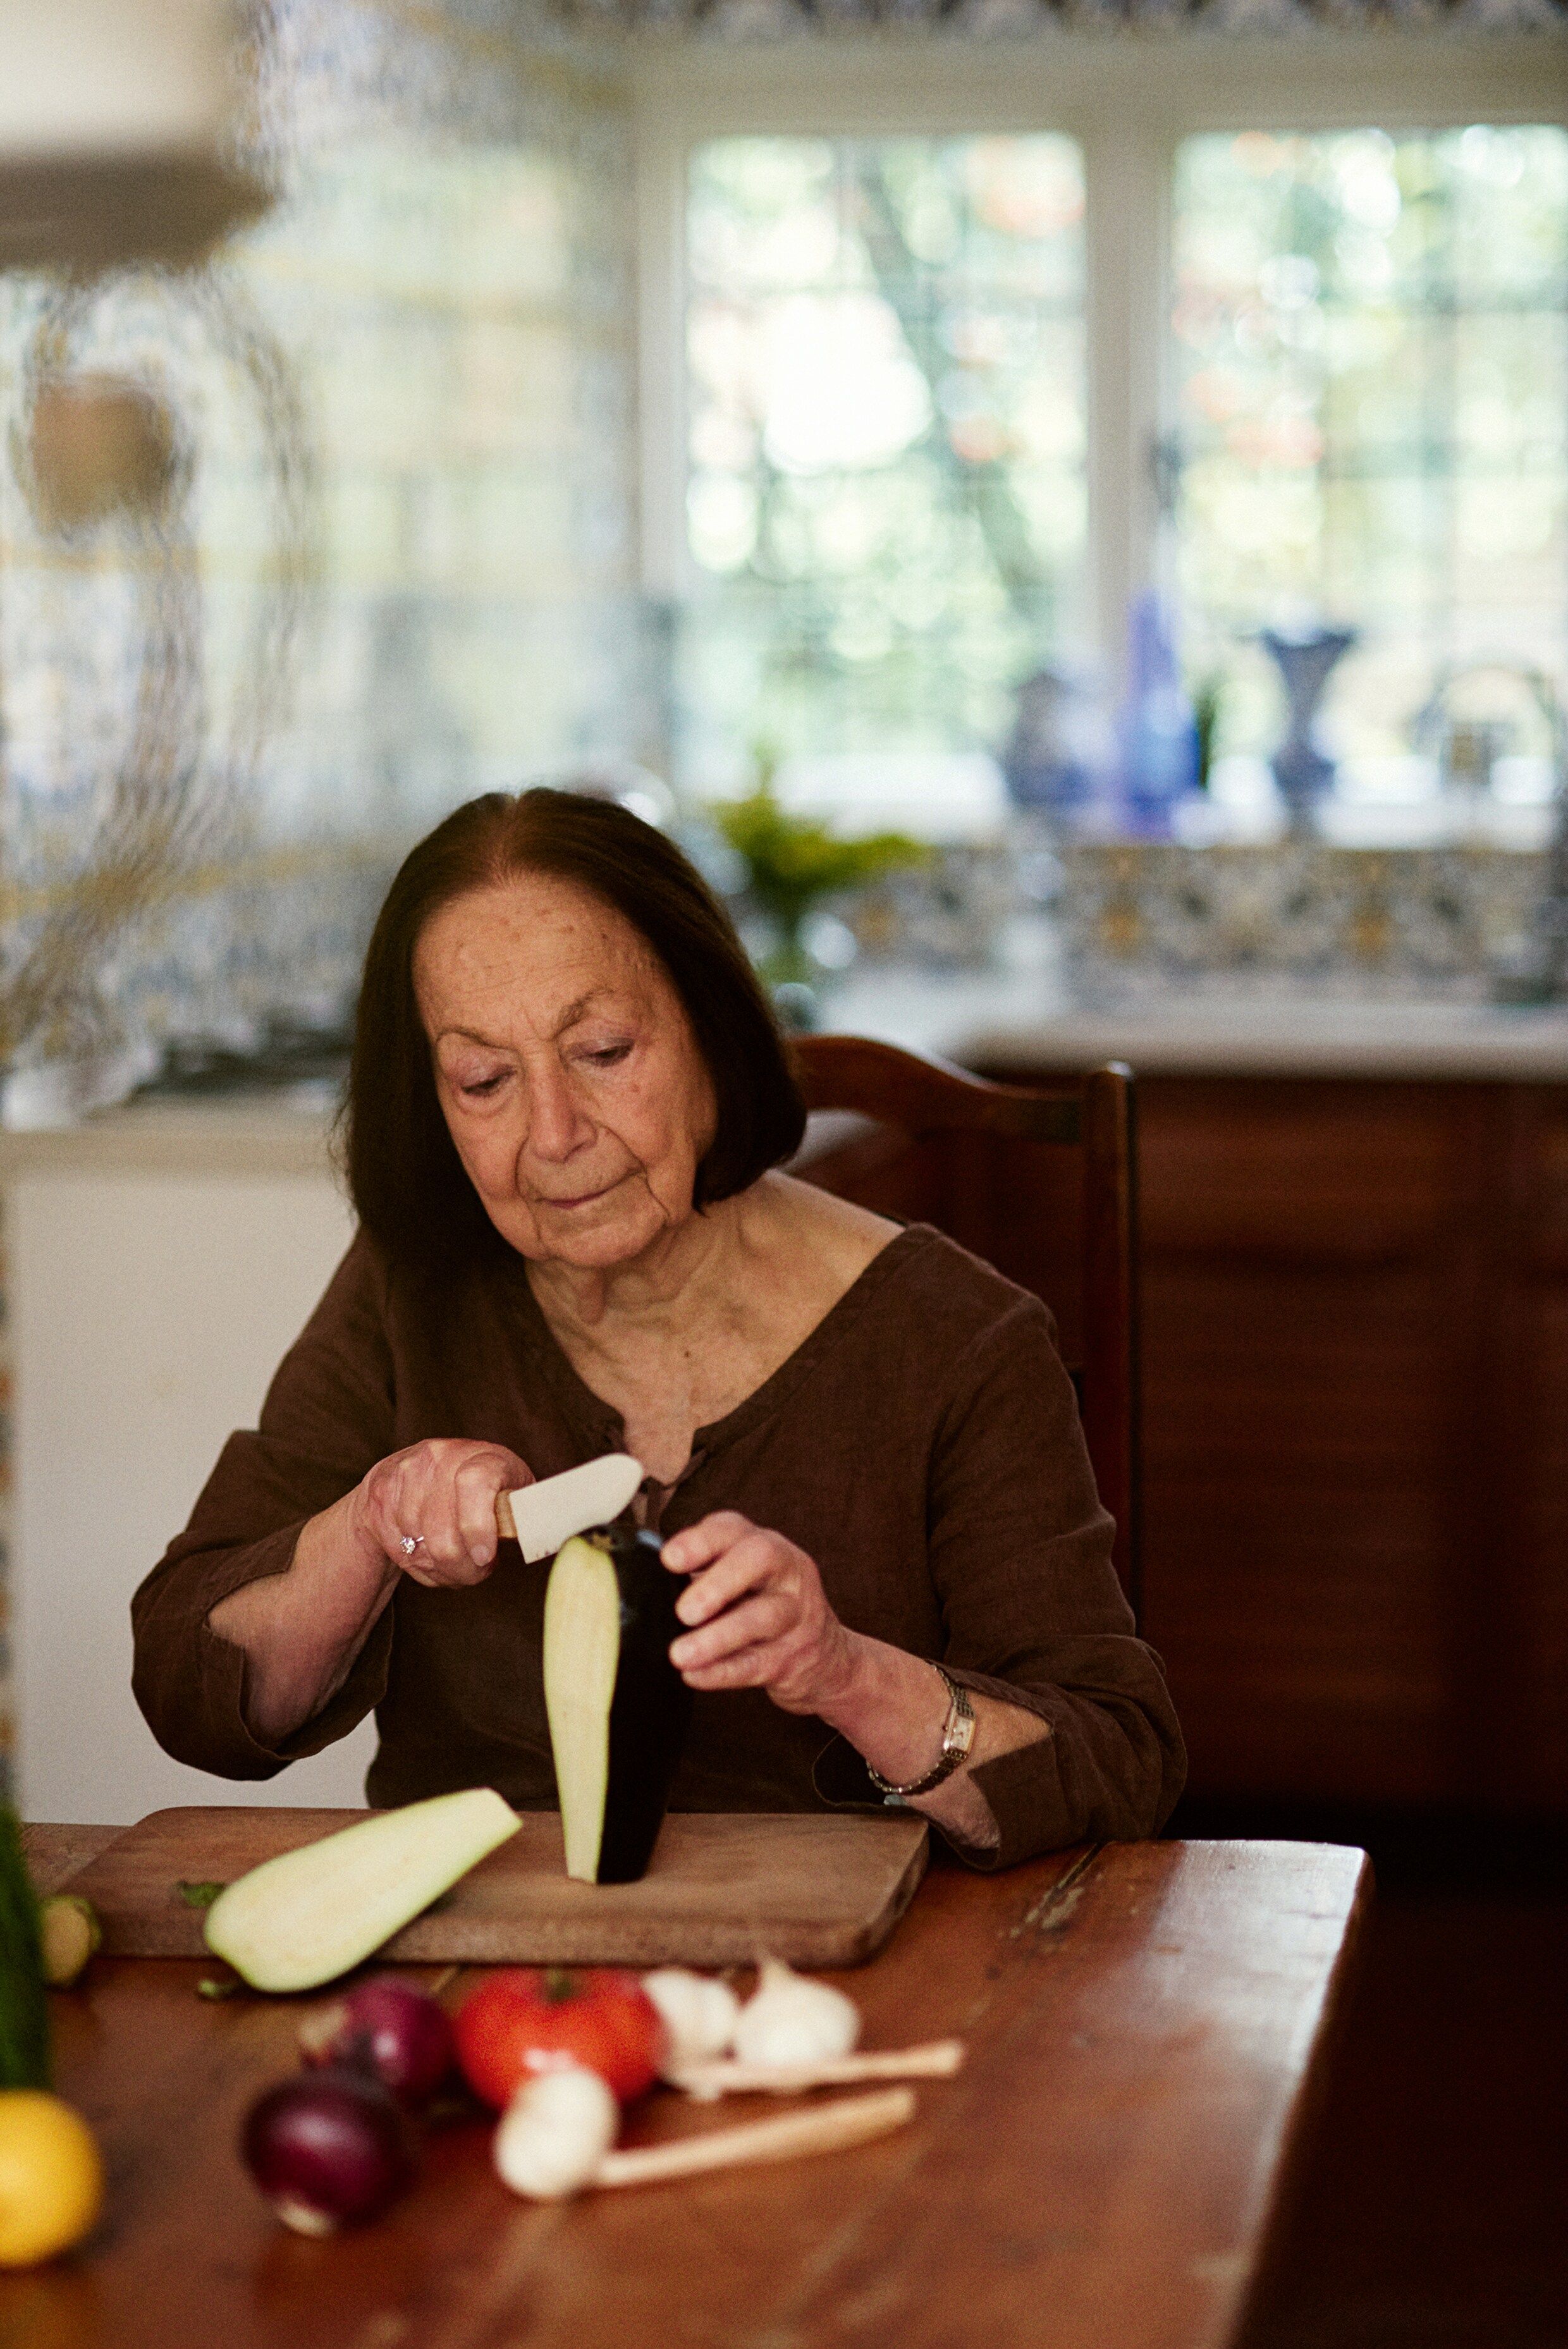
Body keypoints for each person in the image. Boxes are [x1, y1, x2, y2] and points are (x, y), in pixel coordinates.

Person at [132, 790, 1184, 1867]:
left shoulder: (954, 1339)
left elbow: (1117, 1764)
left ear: (708, 1030)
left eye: (600, 1050)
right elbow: (186, 1683)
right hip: (479, 1977)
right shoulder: (414, 1287)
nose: (553, 1136)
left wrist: (848, 1674)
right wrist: (362, 1535)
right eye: (484, 1080)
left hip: (841, 1984)